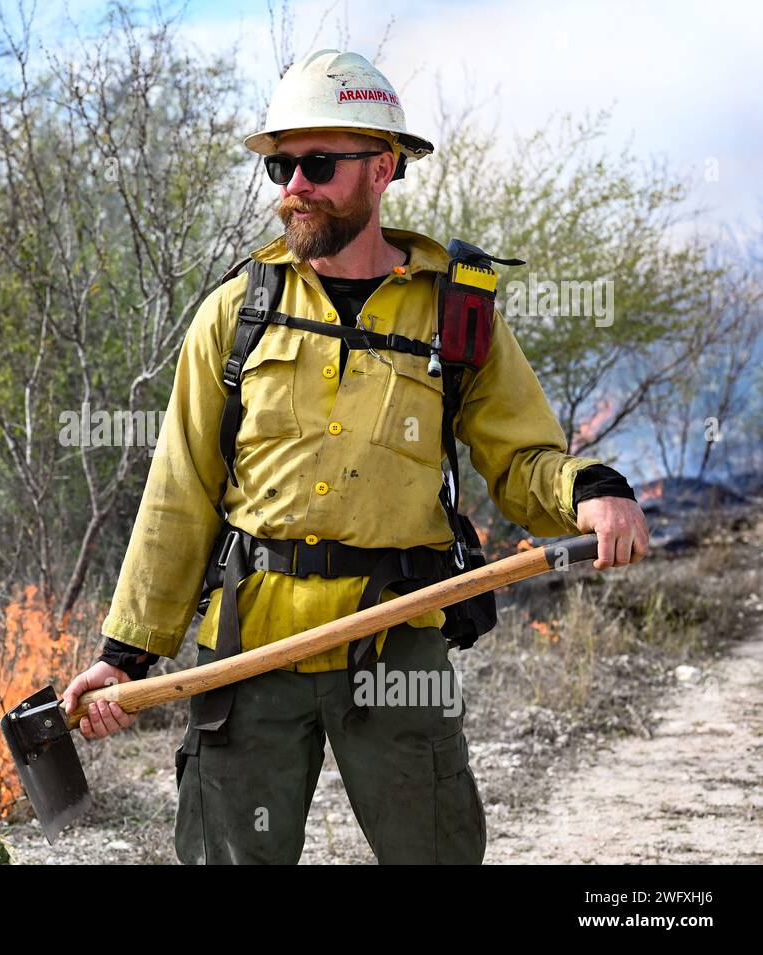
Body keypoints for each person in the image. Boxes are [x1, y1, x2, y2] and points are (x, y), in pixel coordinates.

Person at [60, 49, 649, 865]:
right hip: (251, 641)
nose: (292, 186)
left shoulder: (457, 311)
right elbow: (180, 493)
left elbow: (523, 458)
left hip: (398, 635)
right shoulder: (236, 314)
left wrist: (592, 491)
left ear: (381, 168)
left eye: (318, 164)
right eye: (281, 165)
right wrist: (123, 655)